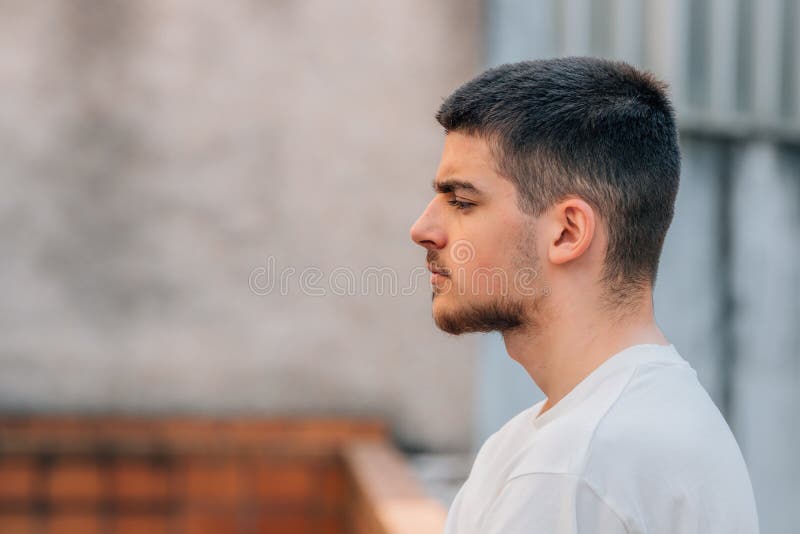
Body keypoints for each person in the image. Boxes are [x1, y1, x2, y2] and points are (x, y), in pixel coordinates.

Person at [409, 57, 759, 534]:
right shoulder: (663, 419)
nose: (423, 229)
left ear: (567, 232)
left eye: (463, 202)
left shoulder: (576, 467)